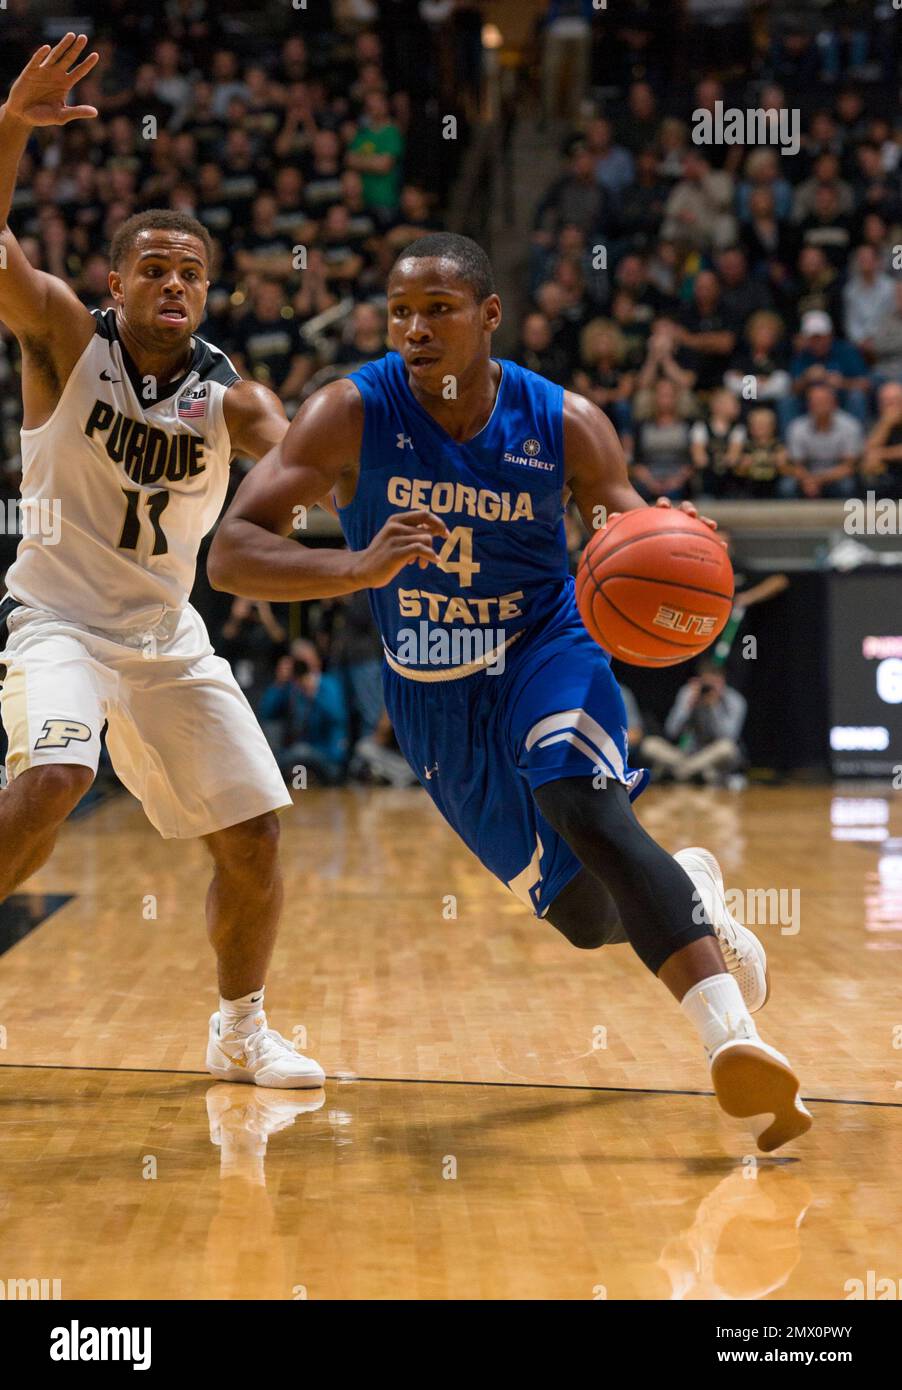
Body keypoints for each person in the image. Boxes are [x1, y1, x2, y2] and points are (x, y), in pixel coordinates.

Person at [209, 231, 812, 1153]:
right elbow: (232, 553)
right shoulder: (347, 413)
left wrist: (668, 530)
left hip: (545, 645)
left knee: (580, 798)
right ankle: (691, 892)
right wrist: (357, 565)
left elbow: (626, 531)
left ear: (489, 316)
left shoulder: (565, 421)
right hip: (431, 694)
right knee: (580, 916)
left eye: (439, 309)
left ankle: (736, 1043)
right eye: (400, 311)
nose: (415, 328)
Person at [0, 36, 324, 1090]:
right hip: (55, 624)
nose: (174, 283)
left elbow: (305, 461)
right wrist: (10, 126)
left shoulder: (234, 397)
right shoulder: (58, 334)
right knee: (54, 775)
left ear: (207, 289)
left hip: (165, 640)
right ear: (117, 281)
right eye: (154, 268)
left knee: (257, 838)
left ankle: (239, 1030)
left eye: (190, 271)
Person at [642, 665, 747, 787]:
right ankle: (697, 772)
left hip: (713, 756)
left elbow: (729, 737)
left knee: (727, 748)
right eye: (706, 684)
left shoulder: (735, 700)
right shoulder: (689, 693)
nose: (708, 689)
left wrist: (713, 707)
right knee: (649, 745)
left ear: (722, 681)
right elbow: (671, 731)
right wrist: (688, 706)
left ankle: (680, 773)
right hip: (685, 754)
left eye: (713, 684)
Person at [259, 644, 348, 786]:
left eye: (307, 662)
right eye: (299, 663)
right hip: (294, 754)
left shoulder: (329, 683)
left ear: (317, 662)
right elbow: (266, 713)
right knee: (292, 751)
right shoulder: (290, 687)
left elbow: (338, 717)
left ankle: (300, 782)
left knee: (300, 753)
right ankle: (298, 783)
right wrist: (279, 683)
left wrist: (314, 694)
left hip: (326, 756)